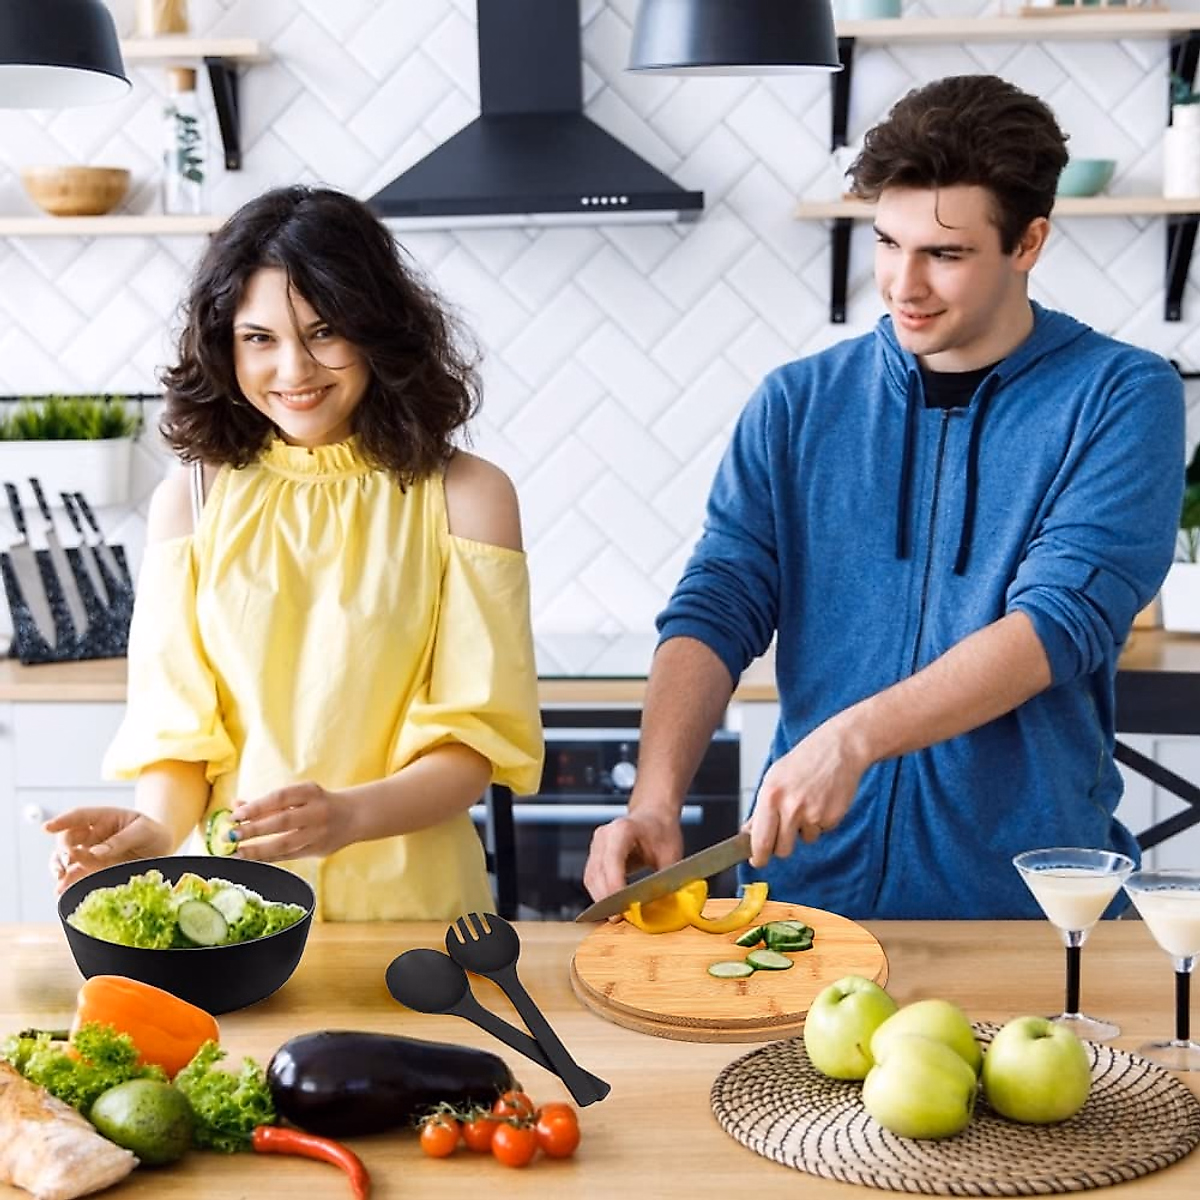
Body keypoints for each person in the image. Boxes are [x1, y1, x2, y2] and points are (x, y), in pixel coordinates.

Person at [582, 74, 1186, 920]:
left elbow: (1058, 623)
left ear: (1029, 243)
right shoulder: (799, 404)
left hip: (1023, 910)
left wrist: (854, 738)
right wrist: (654, 799)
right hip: (804, 907)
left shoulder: (1120, 396)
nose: (903, 284)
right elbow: (719, 602)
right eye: (887, 243)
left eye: (945, 254)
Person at [46, 185, 544, 921]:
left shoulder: (466, 494)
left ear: (378, 330)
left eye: (324, 332)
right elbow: (179, 732)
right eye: (259, 338)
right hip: (230, 913)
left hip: (415, 917)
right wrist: (152, 830)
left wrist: (347, 817)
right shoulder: (192, 499)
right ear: (224, 344)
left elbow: (472, 746)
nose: (294, 370)